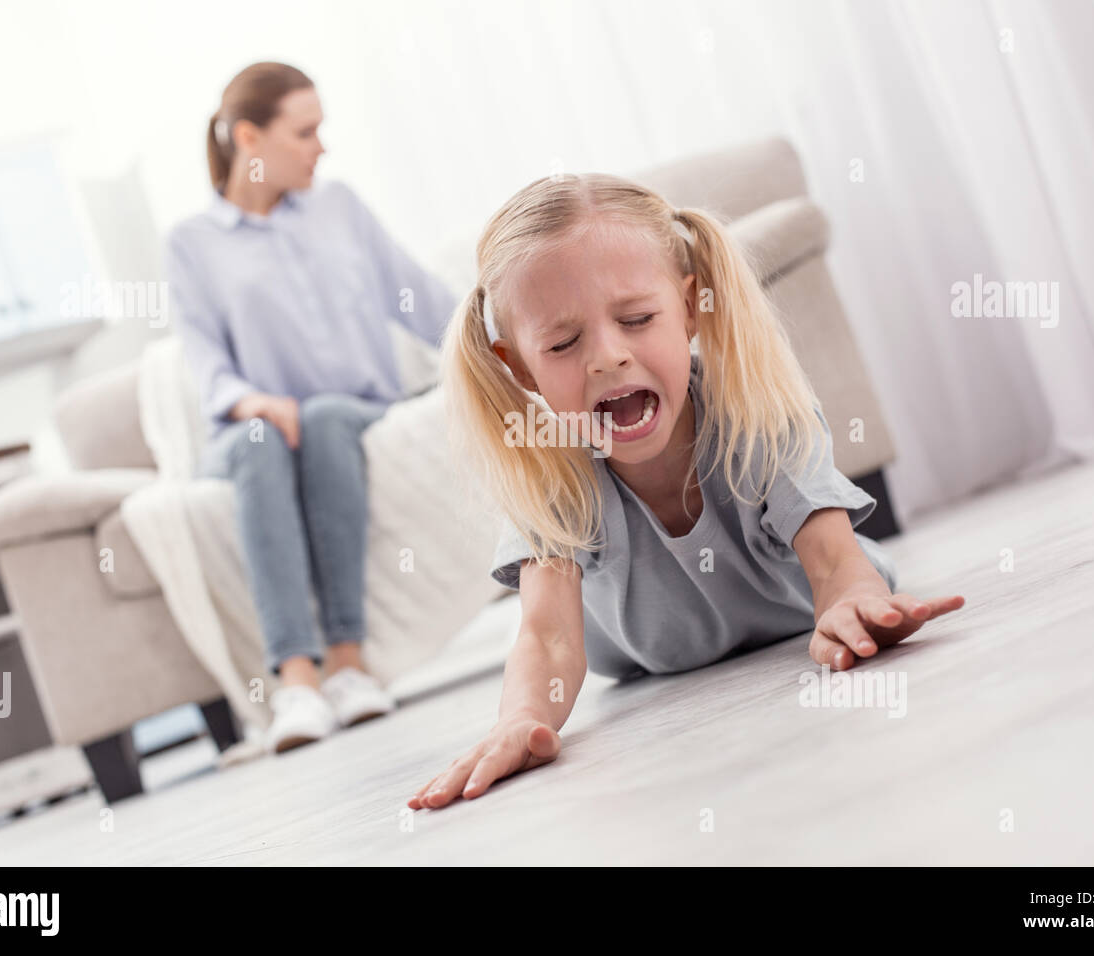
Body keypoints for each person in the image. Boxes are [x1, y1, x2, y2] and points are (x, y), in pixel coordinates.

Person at [410, 172, 966, 807]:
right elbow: (548, 635)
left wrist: (852, 605)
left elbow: (837, 562)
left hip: (797, 611)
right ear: (519, 366)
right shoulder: (550, 469)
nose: (607, 357)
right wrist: (518, 719)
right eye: (562, 343)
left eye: (638, 318)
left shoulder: (756, 411)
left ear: (691, 309)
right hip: (645, 659)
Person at [164, 62, 459, 753]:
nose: (320, 147)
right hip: (254, 428)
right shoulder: (193, 244)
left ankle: (349, 669)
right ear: (249, 138)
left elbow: (420, 299)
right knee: (265, 439)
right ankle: (298, 683)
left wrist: (509, 351)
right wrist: (253, 401)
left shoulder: (340, 208)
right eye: (305, 132)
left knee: (323, 416)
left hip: (353, 411)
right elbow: (206, 362)